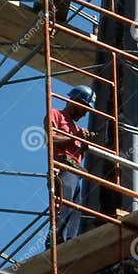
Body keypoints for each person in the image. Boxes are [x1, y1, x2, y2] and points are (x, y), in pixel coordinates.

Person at [45, 85, 96, 247]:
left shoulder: (75, 127)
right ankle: (55, 240)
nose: (85, 113)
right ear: (74, 101)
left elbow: (78, 155)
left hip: (75, 170)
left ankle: (68, 242)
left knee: (75, 209)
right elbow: (50, 139)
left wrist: (84, 144)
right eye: (84, 108)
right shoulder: (56, 114)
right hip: (63, 166)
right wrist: (74, 137)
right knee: (64, 204)